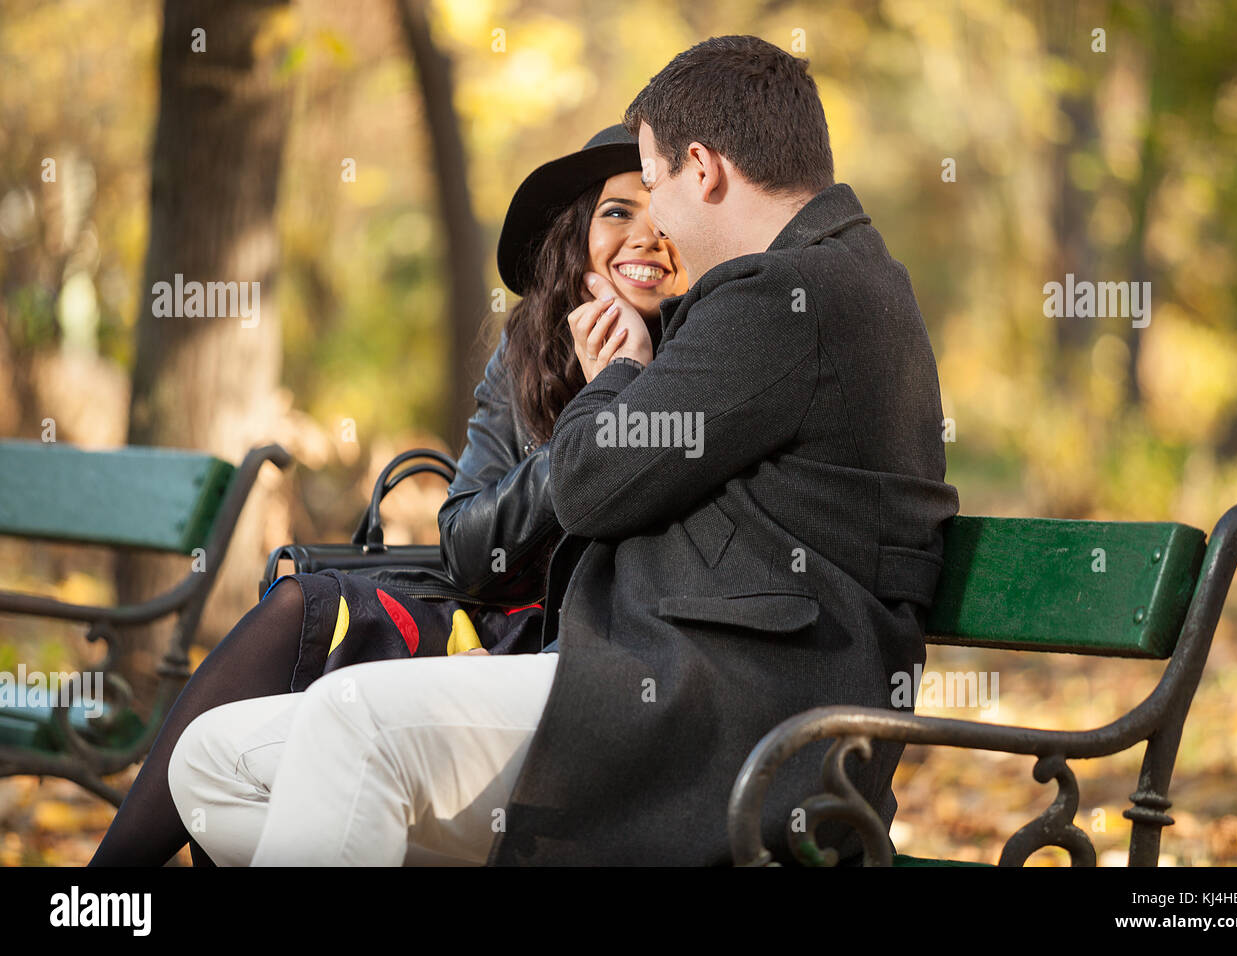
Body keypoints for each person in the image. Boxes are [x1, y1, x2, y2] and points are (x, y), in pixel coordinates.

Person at [176, 34, 960, 867]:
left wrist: (617, 372)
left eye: (652, 183)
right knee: (211, 762)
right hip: (684, 687)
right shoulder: (834, 278)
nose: (656, 221)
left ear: (704, 168)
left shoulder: (786, 295)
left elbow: (587, 483)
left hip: (737, 723)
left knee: (353, 723)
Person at [86, 124, 685, 866]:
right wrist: (584, 424)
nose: (645, 237)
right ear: (578, 236)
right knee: (298, 606)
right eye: (617, 212)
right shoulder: (527, 349)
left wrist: (624, 388)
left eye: (663, 217)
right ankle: (100, 890)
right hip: (488, 615)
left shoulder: (701, 361)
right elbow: (467, 545)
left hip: (574, 655)